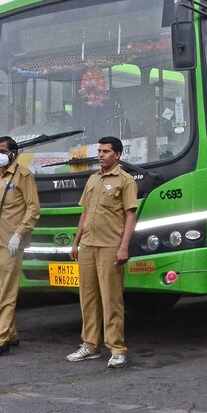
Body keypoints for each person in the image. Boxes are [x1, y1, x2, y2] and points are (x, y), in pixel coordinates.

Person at [66, 136, 137, 368]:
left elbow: (130, 216)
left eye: (106, 151)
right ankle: (90, 345)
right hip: (88, 246)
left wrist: (124, 247)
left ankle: (117, 348)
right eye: (99, 151)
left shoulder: (125, 180)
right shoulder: (93, 180)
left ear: (117, 155)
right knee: (87, 298)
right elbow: (85, 213)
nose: (100, 155)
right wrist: (76, 243)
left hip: (110, 246)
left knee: (111, 298)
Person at [0, 135, 40, 359]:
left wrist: (19, 234)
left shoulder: (23, 176)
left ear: (14, 153)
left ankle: (0, 340)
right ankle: (11, 334)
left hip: (11, 244)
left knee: (7, 293)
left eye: (2, 151)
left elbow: (33, 209)